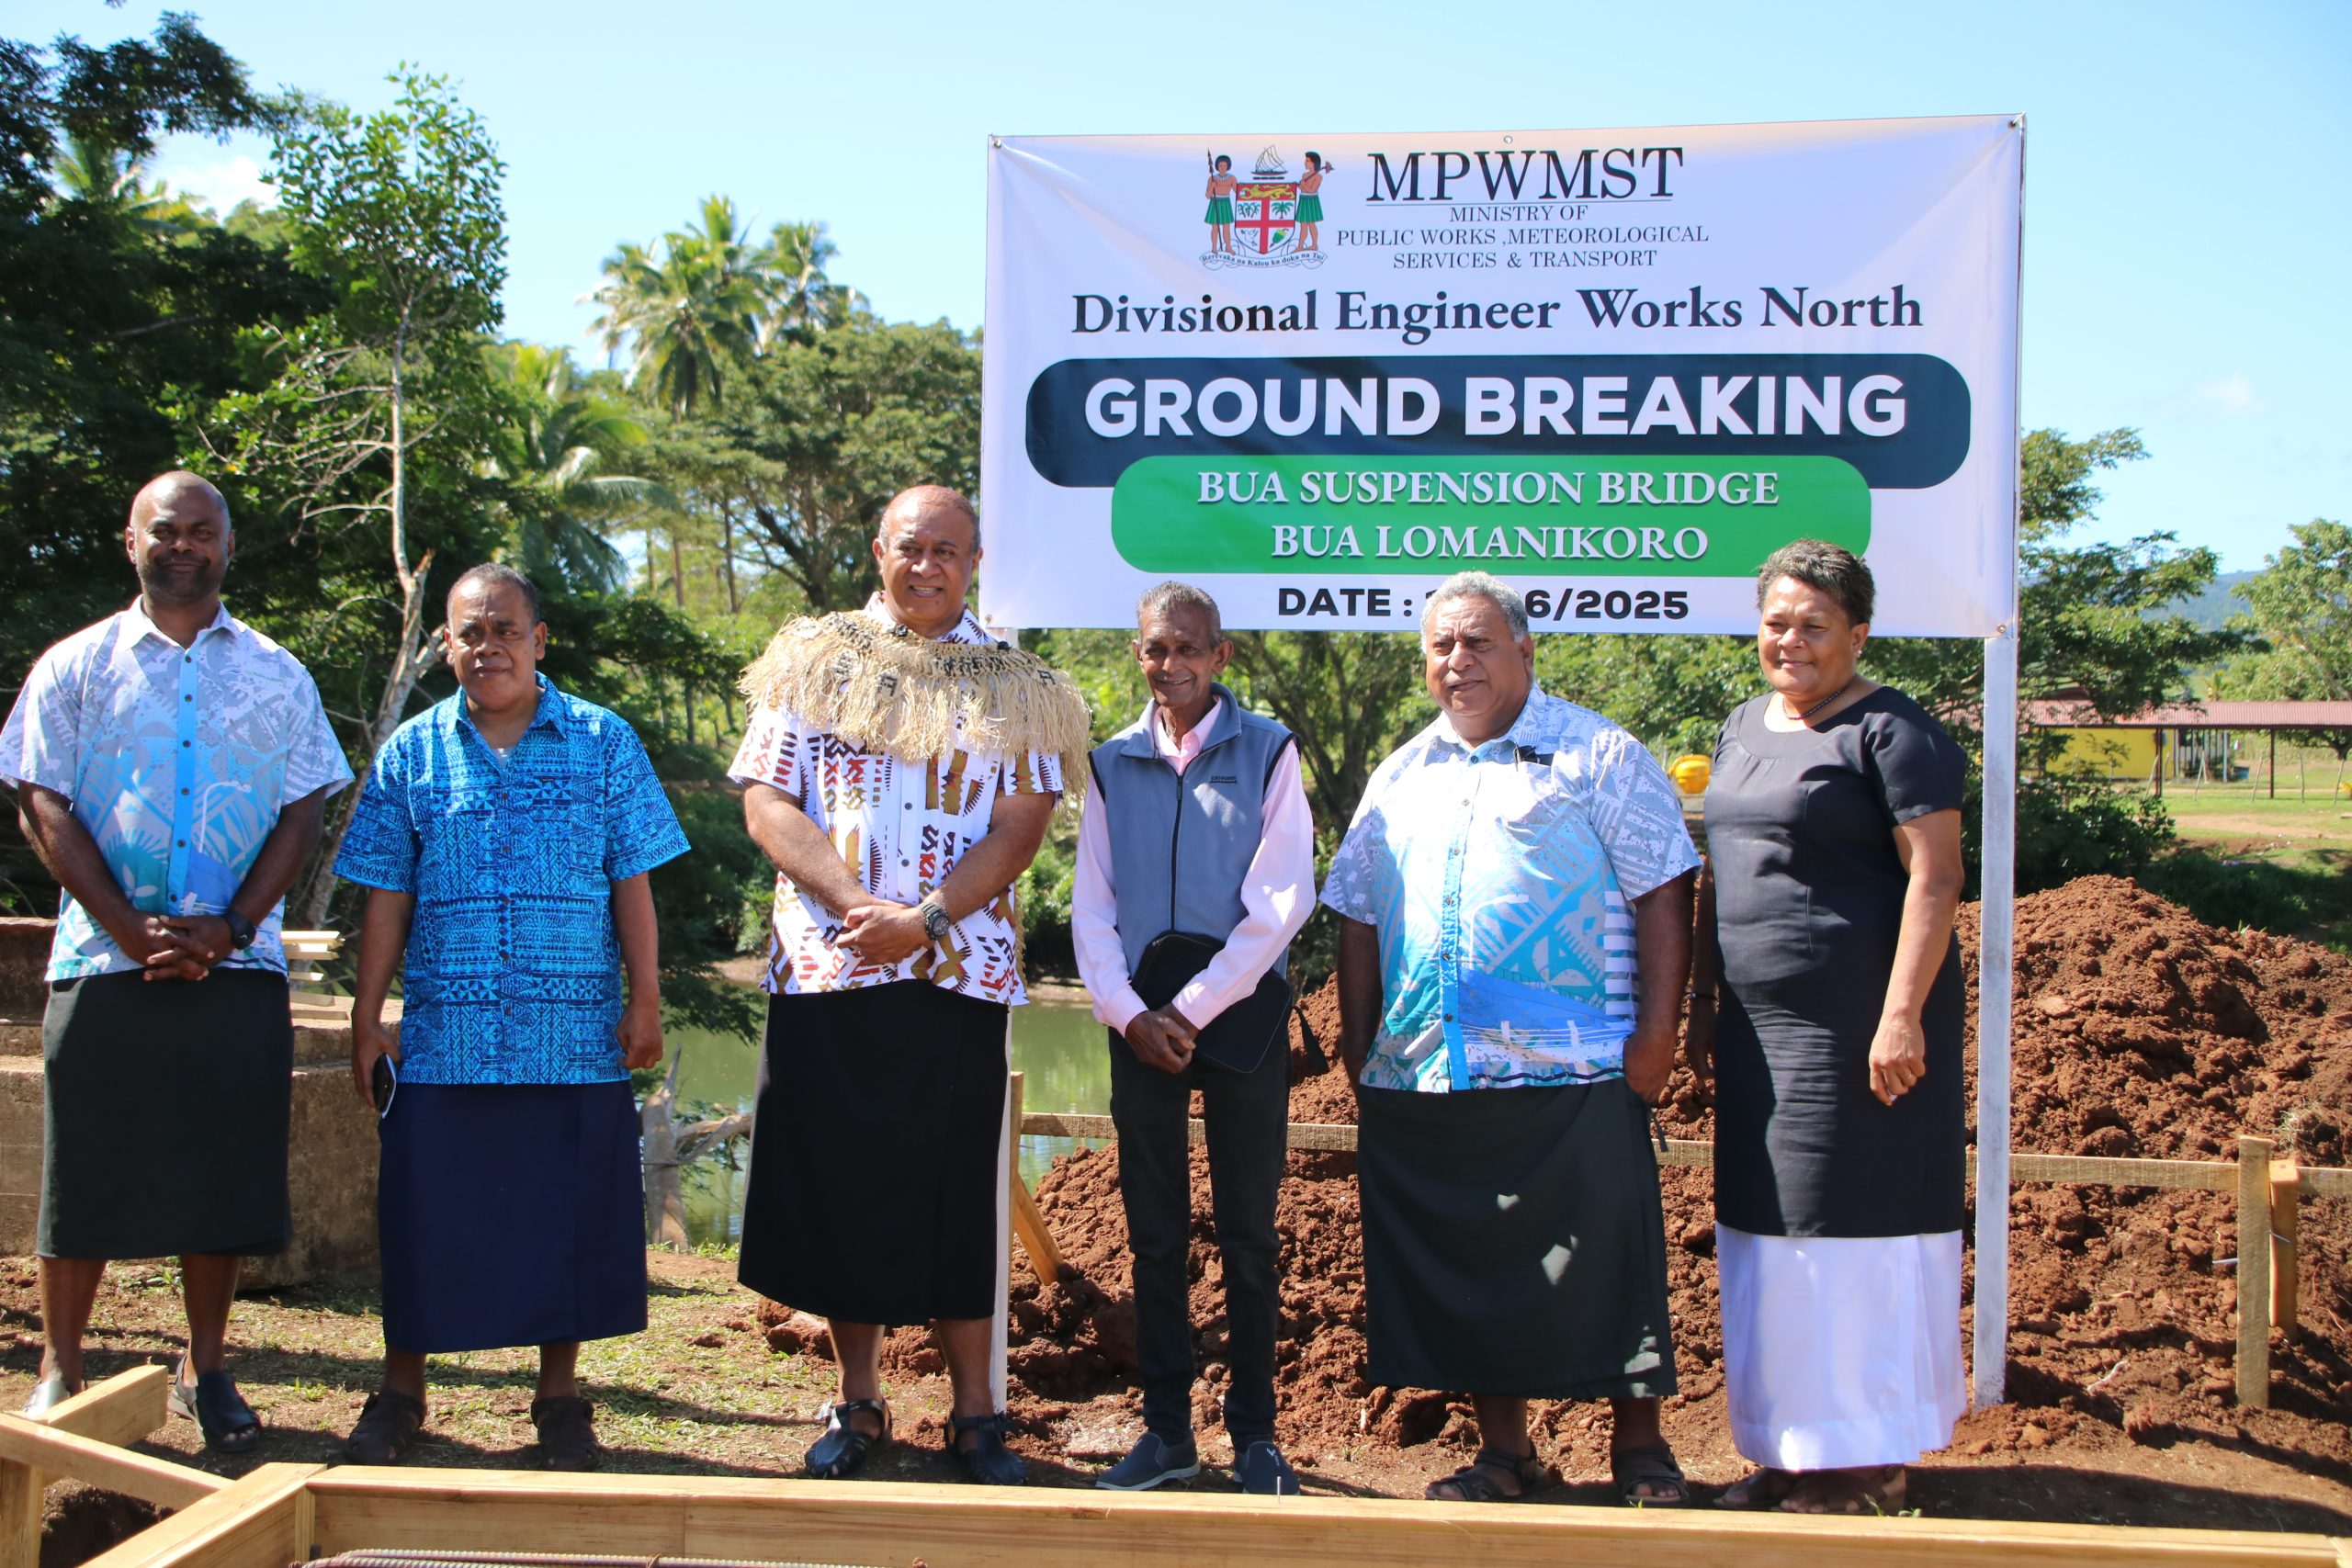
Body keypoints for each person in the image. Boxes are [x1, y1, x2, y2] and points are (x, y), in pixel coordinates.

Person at [729, 485, 1090, 1486]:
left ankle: (978, 1419)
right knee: (843, 1193)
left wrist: (924, 919)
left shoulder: (1022, 685)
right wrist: (856, 906)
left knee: (955, 1194)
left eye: (948, 550)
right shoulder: (812, 660)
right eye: (910, 546)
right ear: (877, 549)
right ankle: (860, 1404)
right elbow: (766, 799)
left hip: (957, 975)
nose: (927, 565)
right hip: (825, 968)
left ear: (974, 562)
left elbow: (1022, 828)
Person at [1321, 570, 1698, 1506]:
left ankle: (1641, 1451)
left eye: (1479, 642)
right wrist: (1359, 1041)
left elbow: (1664, 888)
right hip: (1432, 1070)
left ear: (1525, 652)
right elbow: (1357, 915)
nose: (1459, 661)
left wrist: (1656, 1035)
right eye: (1442, 647)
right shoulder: (1400, 774)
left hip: (1579, 1064)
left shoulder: (1598, 755)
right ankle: (1504, 1454)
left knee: (1605, 1255)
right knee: (1476, 1265)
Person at [0, 471, 351, 1450]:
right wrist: (121, 922)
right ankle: (62, 1364)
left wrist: (233, 928)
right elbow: (43, 800)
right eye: (166, 530)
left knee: (221, 1174)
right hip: (101, 959)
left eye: (202, 531)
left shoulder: (278, 674)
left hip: (233, 967)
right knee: (85, 1170)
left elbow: (302, 807)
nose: (184, 545)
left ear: (228, 546)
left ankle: (211, 1367)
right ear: (131, 542)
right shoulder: (74, 666)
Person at [332, 564, 688, 1470]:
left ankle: (558, 1399)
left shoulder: (604, 742)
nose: (487, 647)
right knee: (426, 1215)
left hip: (573, 1037)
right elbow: (384, 895)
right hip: (447, 1037)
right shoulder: (412, 752)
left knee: (563, 1218)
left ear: (538, 639)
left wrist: (644, 1002)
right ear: (445, 645)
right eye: (469, 633)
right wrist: (367, 1017)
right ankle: (402, 1390)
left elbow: (631, 880)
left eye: (504, 630)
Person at [1689, 540, 1968, 1516]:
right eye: (1775, 622)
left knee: (1858, 1238)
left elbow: (1934, 876)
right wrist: (1699, 1009)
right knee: (1772, 1235)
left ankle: (1870, 1461)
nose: (1791, 641)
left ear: (1857, 632)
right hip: (1758, 1038)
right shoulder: (1739, 725)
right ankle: (1793, 1449)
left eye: (1813, 625)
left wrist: (1899, 1016)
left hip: (1861, 1035)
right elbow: (1722, 870)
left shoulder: (1895, 733)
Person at [1071, 582, 1316, 1495]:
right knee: (1153, 1237)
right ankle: (1166, 1433)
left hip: (1241, 1022)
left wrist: (1193, 1007)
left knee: (1250, 1235)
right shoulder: (1109, 763)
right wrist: (1129, 1012)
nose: (1168, 666)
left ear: (1220, 657)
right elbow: (1091, 906)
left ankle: (1255, 1434)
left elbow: (1282, 900)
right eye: (1152, 650)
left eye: (1186, 649)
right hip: (1139, 1027)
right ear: (1137, 656)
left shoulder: (1268, 752)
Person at [1295, 152, 1331, 253]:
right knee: (1303, 224)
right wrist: (1299, 185)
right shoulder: (1304, 175)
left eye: (1307, 161)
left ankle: (1315, 245)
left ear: (1314, 163)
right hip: (1303, 200)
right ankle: (1300, 245)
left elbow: (1312, 190)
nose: (1305, 163)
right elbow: (1302, 189)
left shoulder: (1318, 177)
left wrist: (1303, 185)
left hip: (1311, 201)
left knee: (1311, 223)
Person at [1204, 155, 1238, 254]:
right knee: (1215, 227)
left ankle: (1228, 247)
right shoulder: (1212, 179)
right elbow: (1207, 195)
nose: (1222, 168)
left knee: (1226, 227)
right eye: (1220, 166)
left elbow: (1237, 191)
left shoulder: (1232, 178)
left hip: (1226, 203)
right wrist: (1212, 186)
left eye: (1224, 166)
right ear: (1217, 166)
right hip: (1215, 203)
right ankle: (1214, 247)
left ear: (1228, 166)